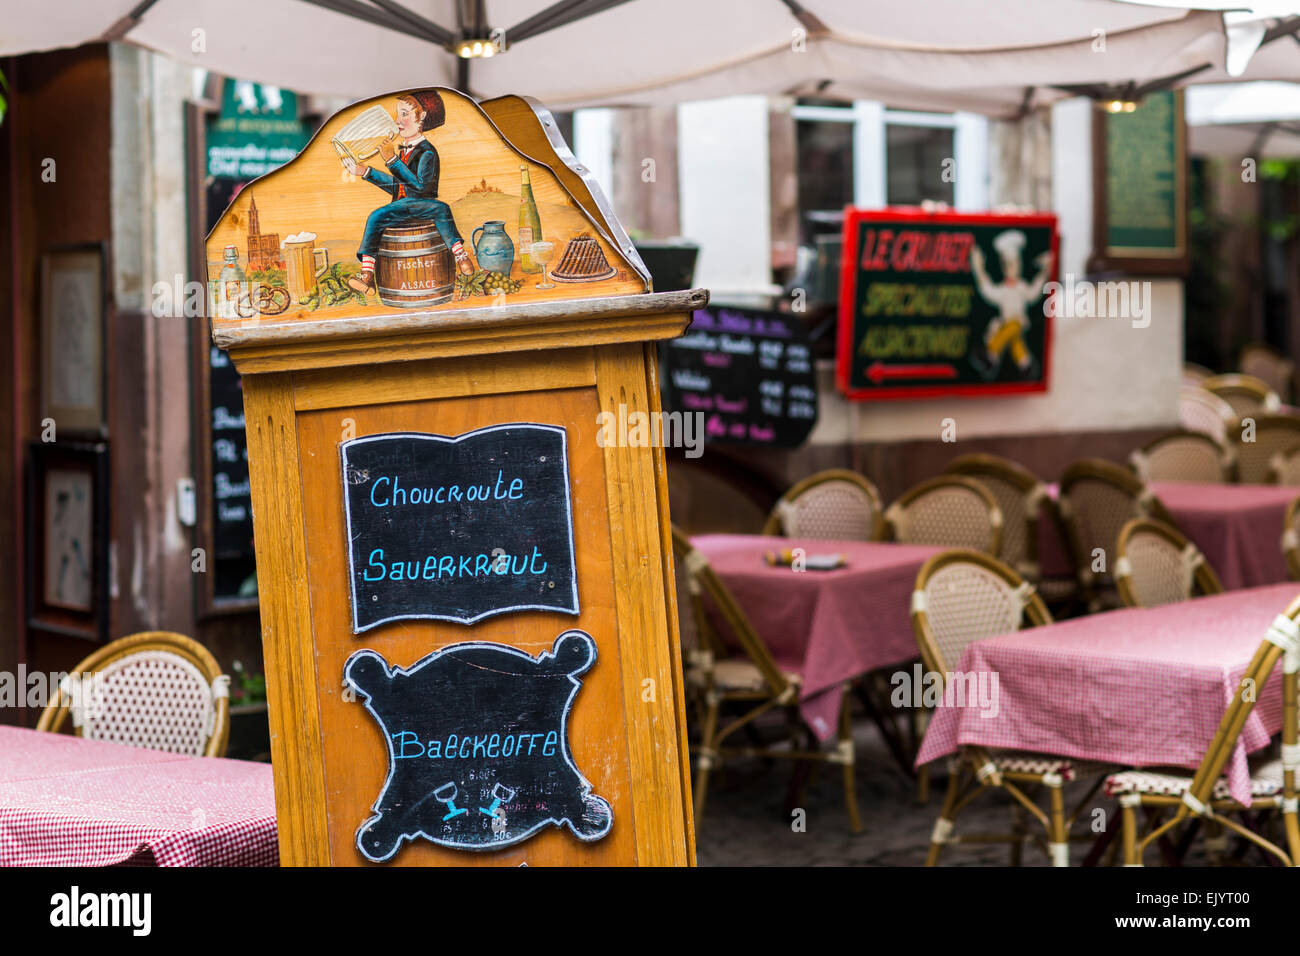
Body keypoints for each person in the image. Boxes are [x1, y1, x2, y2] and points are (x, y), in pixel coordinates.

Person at [341, 90, 474, 296]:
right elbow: (399, 187)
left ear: (421, 117)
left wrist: (393, 161)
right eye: (398, 115)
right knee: (376, 217)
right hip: (405, 206)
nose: (397, 121)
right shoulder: (404, 150)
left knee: (442, 209)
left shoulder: (427, 152)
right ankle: (367, 275)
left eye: (404, 114)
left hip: (423, 204)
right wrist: (366, 171)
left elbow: (420, 187)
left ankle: (461, 255)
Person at [968, 229, 1052, 380]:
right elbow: (987, 290)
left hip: (1017, 321)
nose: (1009, 268)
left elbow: (1033, 294)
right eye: (1006, 264)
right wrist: (978, 268)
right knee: (1014, 340)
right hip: (1006, 323)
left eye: (1012, 264)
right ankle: (1025, 364)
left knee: (1012, 328)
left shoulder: (1021, 287)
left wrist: (1044, 272)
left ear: (1019, 264)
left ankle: (991, 355)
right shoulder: (1003, 290)